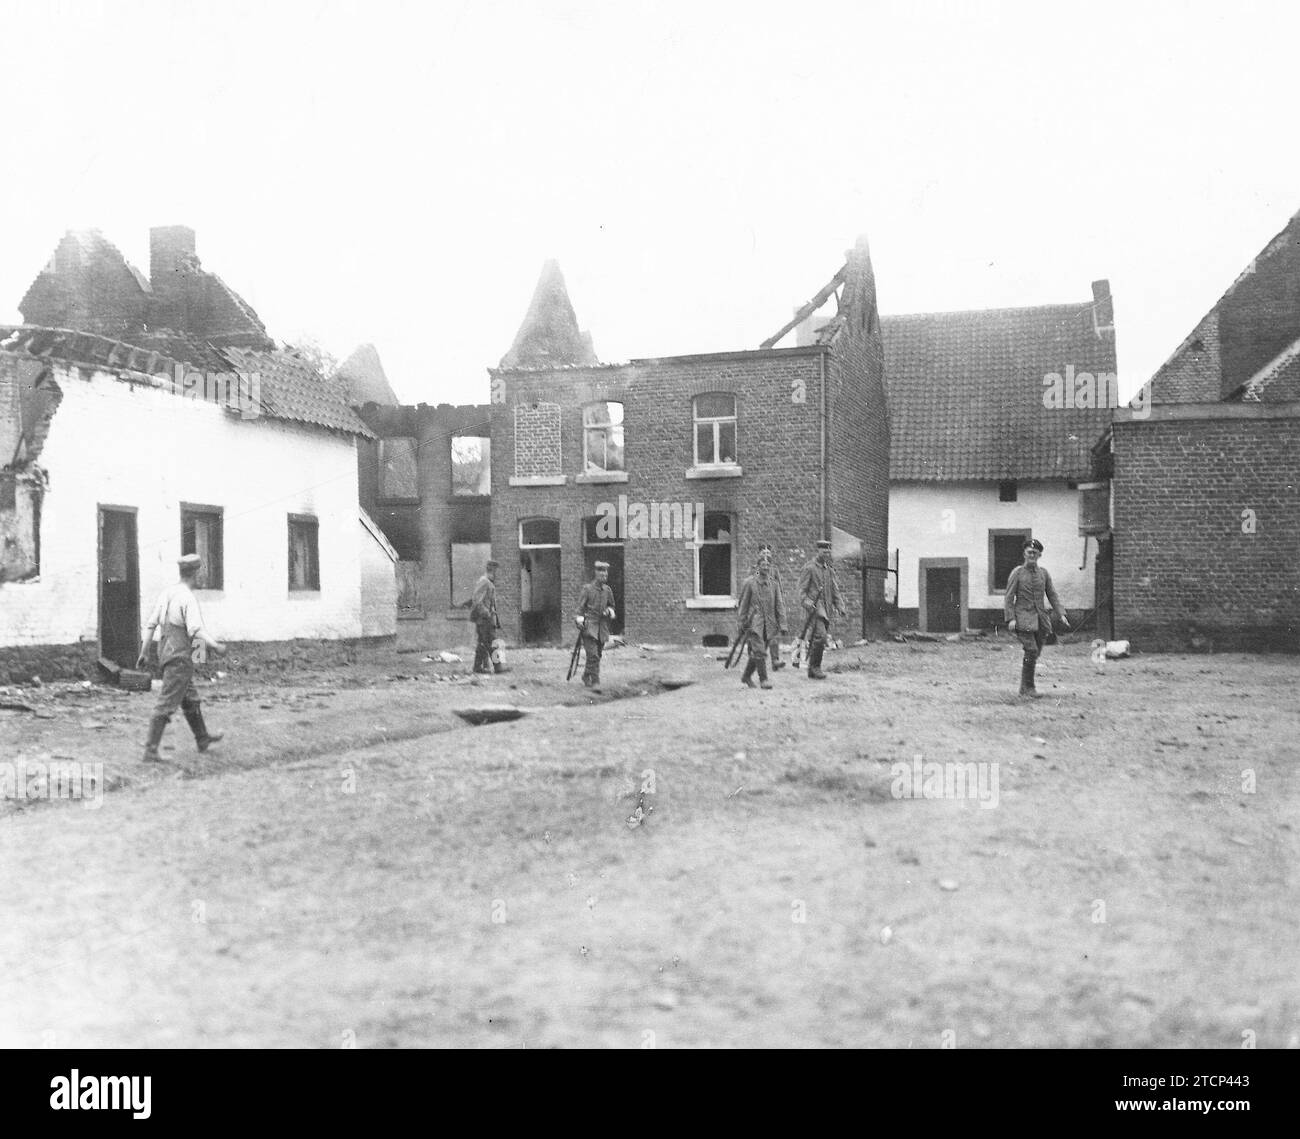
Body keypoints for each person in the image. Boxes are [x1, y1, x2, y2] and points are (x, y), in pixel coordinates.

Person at [137, 553, 227, 762]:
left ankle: (202, 738)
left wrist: (143, 653)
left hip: (165, 653)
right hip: (179, 657)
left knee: (190, 698)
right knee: (167, 702)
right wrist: (215, 646)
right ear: (196, 573)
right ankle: (150, 751)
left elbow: (151, 624)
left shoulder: (167, 593)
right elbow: (195, 630)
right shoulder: (187, 597)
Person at [1004, 538, 1069, 698]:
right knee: (1031, 651)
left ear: (1040, 555)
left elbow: (1052, 594)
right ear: (1024, 554)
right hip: (1023, 619)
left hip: (1041, 620)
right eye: (1029, 552)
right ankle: (1028, 688)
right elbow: (1008, 597)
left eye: (1035, 553)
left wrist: (1061, 613)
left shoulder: (1043, 573)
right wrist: (1011, 618)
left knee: (1035, 652)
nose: (1032, 555)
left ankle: (1025, 687)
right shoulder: (1017, 573)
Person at [796, 538, 844, 680]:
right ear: (818, 551)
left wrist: (840, 606)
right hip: (815, 610)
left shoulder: (829, 571)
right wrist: (809, 604)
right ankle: (816, 667)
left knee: (819, 638)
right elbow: (801, 592)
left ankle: (812, 669)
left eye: (829, 551)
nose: (827, 554)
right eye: (824, 551)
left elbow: (835, 591)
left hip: (826, 610)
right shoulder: (809, 568)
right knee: (821, 636)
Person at [736, 557, 784, 689]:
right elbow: (743, 605)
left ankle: (746, 676)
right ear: (757, 567)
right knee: (760, 651)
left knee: (757, 653)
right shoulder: (750, 583)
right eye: (763, 565)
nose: (766, 568)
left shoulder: (774, 585)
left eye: (768, 565)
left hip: (769, 624)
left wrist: (782, 623)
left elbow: (779, 605)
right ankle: (764, 680)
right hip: (754, 623)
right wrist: (741, 623)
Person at [574, 560, 616, 689]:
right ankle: (596, 682)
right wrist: (579, 620)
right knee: (593, 655)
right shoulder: (588, 589)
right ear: (596, 573)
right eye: (601, 573)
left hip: (601, 628)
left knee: (598, 655)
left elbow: (611, 605)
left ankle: (586, 675)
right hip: (589, 627)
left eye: (606, 573)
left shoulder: (607, 590)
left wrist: (609, 610)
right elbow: (579, 609)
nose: (604, 576)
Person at [470, 558, 508, 675]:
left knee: (482, 644)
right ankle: (498, 667)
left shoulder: (488, 582)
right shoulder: (484, 582)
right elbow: (477, 600)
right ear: (491, 570)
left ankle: (477, 667)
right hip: (484, 620)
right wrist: (487, 613)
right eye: (496, 571)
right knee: (492, 643)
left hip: (486, 620)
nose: (497, 575)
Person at [755, 543, 789, 670]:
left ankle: (775, 660)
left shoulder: (774, 570)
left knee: (773, 636)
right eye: (763, 553)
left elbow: (778, 587)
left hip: (771, 607)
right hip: (759, 607)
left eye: (768, 553)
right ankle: (758, 661)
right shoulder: (755, 569)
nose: (766, 556)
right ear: (758, 555)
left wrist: (780, 604)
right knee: (760, 638)